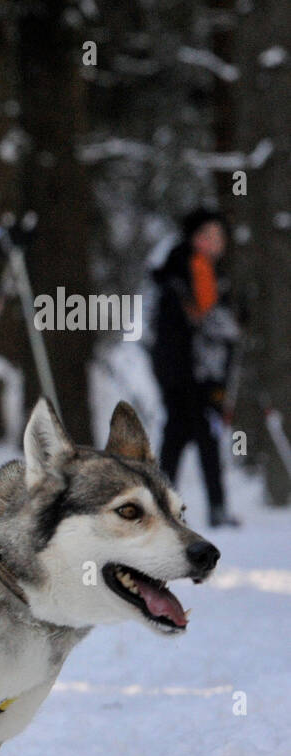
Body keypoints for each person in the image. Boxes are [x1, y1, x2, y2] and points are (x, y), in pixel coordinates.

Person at [151, 208, 241, 528]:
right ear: (194, 238)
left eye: (219, 236)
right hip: (187, 371)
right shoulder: (189, 269)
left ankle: (162, 507)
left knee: (184, 437)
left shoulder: (200, 269)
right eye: (208, 235)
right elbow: (202, 319)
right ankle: (170, 507)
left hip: (192, 370)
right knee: (193, 436)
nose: (216, 242)